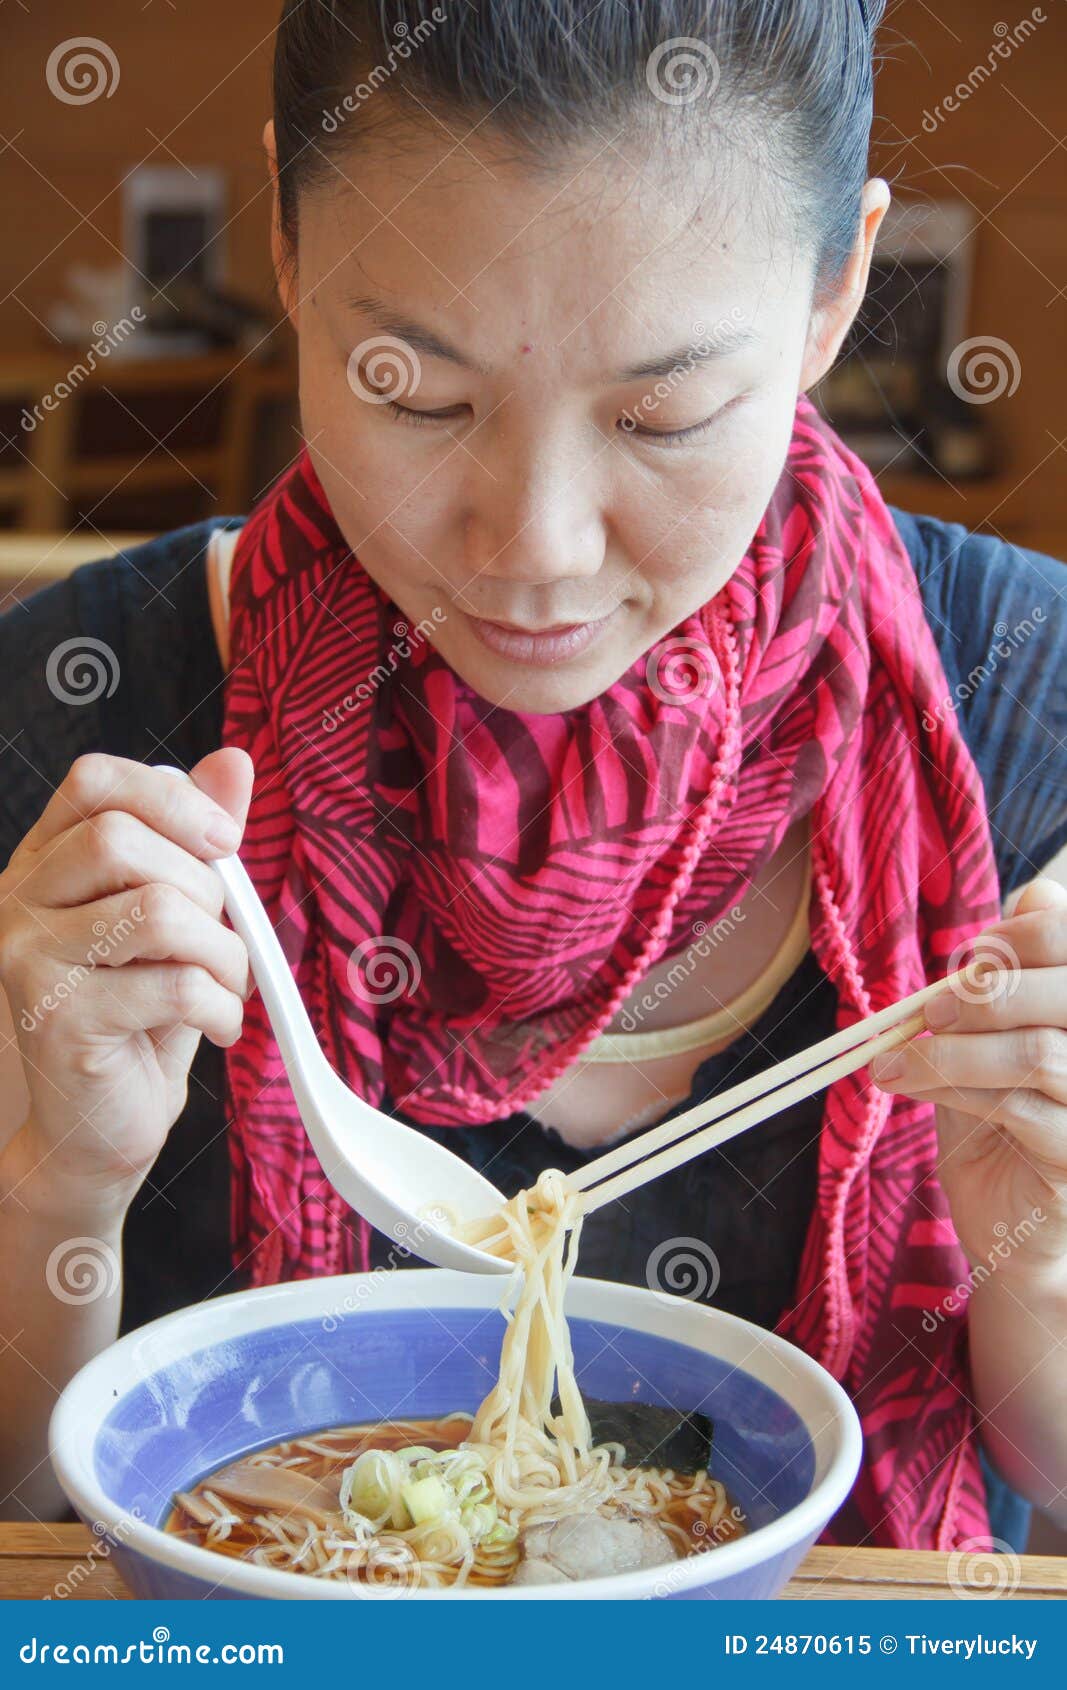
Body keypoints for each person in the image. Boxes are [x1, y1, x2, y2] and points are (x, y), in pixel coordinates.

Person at [2, 1, 1066, 1557]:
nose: (537, 548)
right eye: (419, 397)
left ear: (839, 290)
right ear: (290, 250)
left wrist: (1035, 1254)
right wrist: (52, 1183)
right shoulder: (75, 734)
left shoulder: (1025, 707)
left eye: (662, 414)